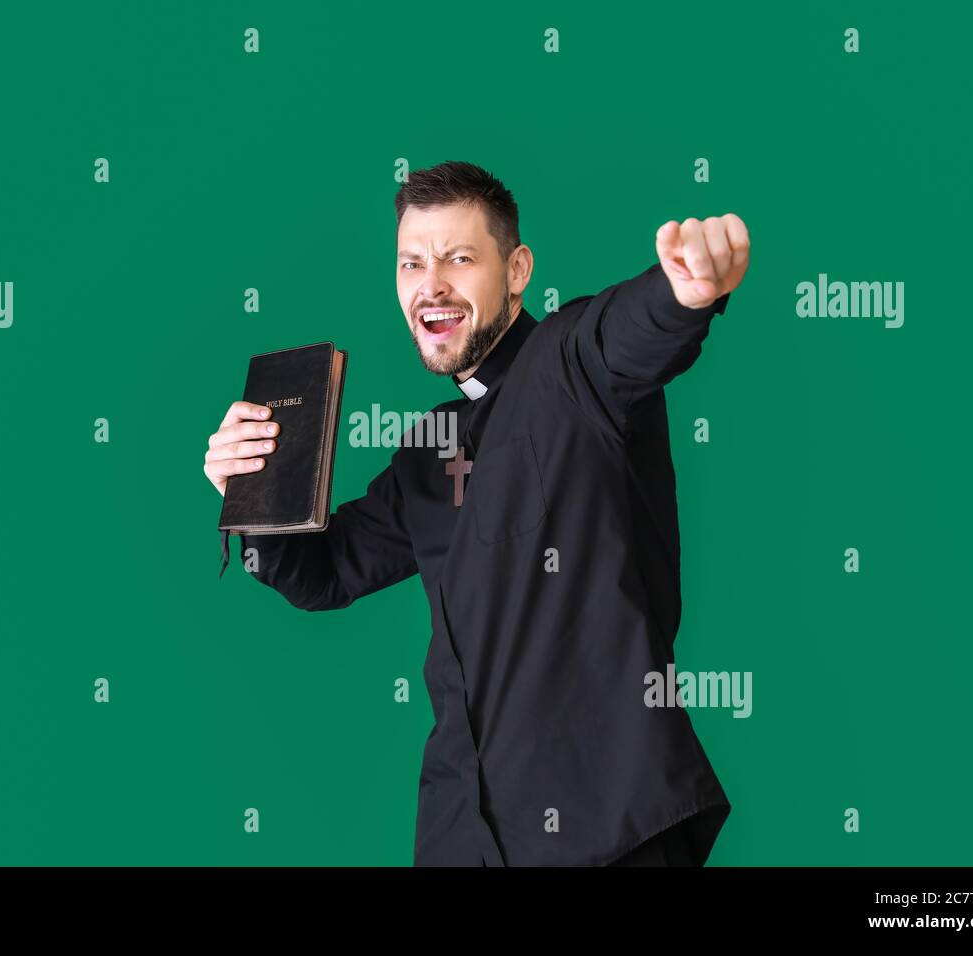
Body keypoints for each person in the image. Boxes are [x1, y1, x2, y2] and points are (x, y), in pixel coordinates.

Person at [203, 161, 751, 866]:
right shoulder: (428, 455)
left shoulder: (573, 365)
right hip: (462, 837)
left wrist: (686, 291)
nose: (431, 283)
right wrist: (251, 491)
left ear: (517, 270)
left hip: (609, 834)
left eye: (459, 258)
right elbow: (325, 575)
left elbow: (631, 330)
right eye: (411, 263)